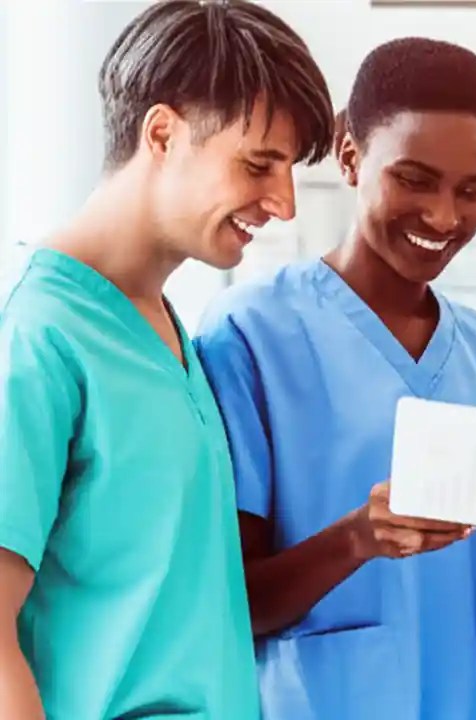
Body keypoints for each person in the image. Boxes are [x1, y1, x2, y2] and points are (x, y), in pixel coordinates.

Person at [195, 37, 476, 720]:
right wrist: (359, 538)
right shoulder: (250, 335)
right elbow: (227, 609)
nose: (445, 217)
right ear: (350, 154)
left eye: (472, 191)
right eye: (414, 180)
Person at [0, 2, 333, 718]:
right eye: (259, 164)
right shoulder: (42, 337)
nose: (283, 203)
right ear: (162, 133)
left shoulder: (170, 333)